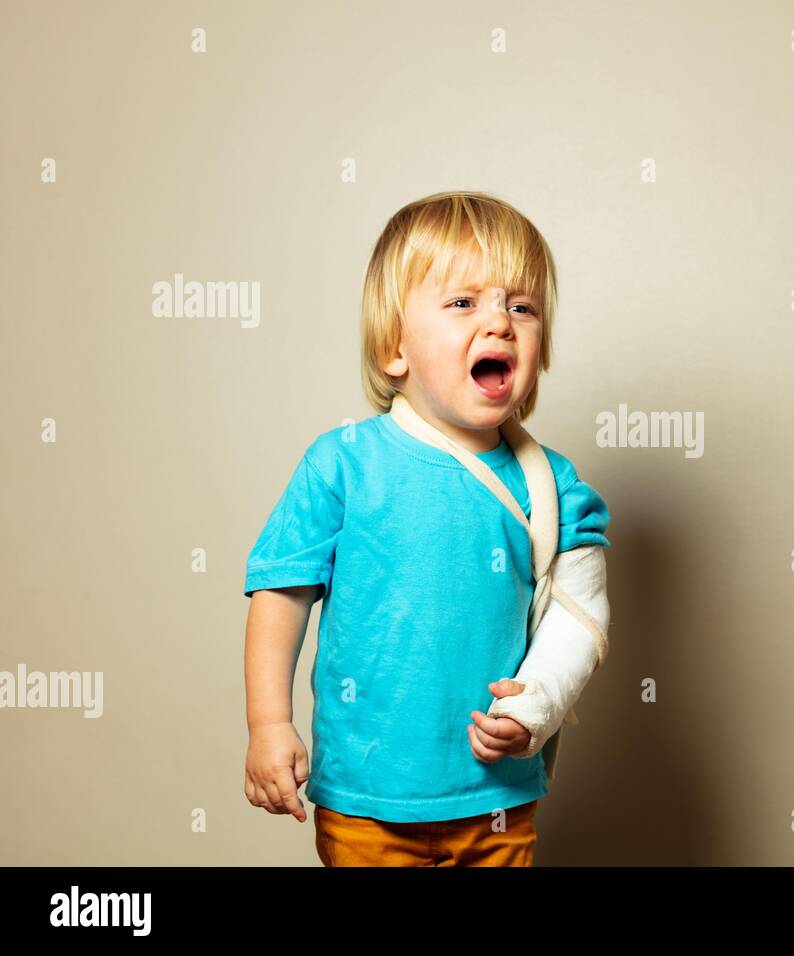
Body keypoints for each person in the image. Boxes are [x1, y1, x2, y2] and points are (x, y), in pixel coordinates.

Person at [241, 191, 611, 866]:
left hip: (497, 799)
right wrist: (269, 724)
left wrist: (538, 702)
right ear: (395, 348)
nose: (499, 322)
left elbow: (580, 616)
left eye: (521, 307)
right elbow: (281, 594)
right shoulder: (342, 463)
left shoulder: (552, 485)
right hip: (366, 802)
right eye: (464, 303)